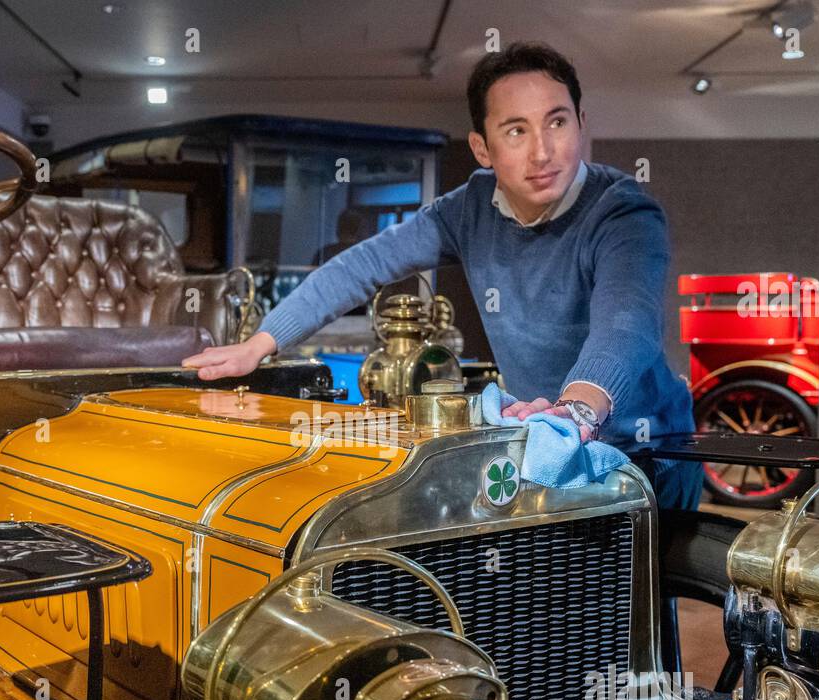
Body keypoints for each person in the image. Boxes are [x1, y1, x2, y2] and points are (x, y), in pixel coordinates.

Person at [183, 41, 703, 510]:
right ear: (482, 148)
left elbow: (625, 323)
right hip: (543, 443)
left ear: (581, 122)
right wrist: (260, 343)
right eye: (516, 130)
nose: (543, 151)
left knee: (638, 608)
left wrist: (578, 412)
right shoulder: (468, 211)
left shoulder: (623, 213)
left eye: (557, 122)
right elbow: (362, 266)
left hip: (643, 448)